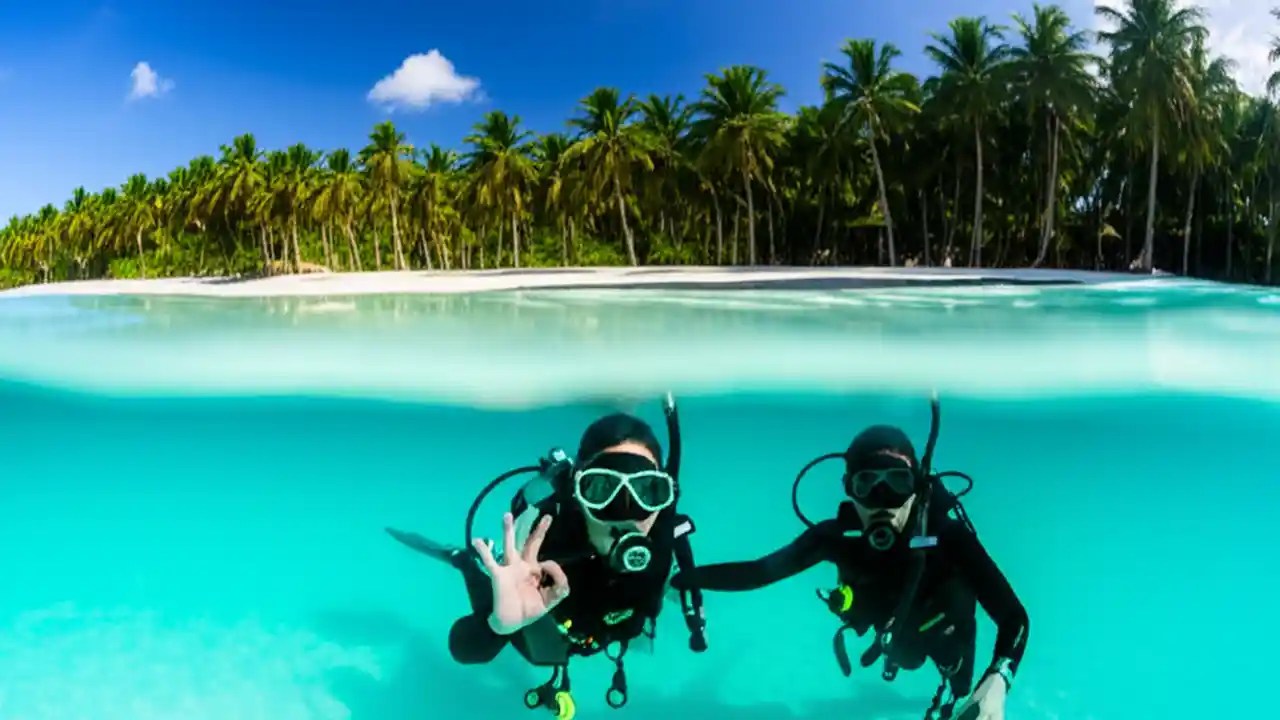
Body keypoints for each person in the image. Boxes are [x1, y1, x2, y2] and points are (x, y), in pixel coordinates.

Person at [670, 398, 1027, 720]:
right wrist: (680, 579)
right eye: (867, 484)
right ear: (849, 489)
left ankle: (953, 687)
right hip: (897, 634)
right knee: (906, 657)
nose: (882, 499)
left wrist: (998, 680)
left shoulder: (946, 536)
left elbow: (1014, 617)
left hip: (948, 630)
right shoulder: (836, 539)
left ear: (917, 486)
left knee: (960, 686)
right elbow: (758, 572)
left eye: (897, 483)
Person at [386, 394, 708, 719]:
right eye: (600, 489)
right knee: (531, 648)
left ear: (664, 498)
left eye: (647, 491)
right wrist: (498, 625)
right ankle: (467, 560)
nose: (623, 513)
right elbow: (464, 649)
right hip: (551, 626)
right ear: (577, 493)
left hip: (607, 630)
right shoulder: (544, 544)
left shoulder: (666, 536)